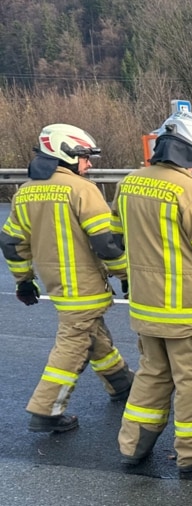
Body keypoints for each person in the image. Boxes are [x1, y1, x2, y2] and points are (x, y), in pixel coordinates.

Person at [112, 111, 192, 471]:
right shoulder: (189, 190)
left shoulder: (129, 183)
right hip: (186, 311)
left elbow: (116, 237)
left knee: (152, 376)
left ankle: (132, 446)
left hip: (145, 308)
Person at [0, 124, 133, 433]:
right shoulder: (82, 190)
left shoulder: (25, 192)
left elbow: (11, 242)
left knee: (91, 333)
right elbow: (106, 242)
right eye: (85, 157)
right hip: (83, 284)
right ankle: (45, 410)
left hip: (56, 284)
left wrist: (23, 280)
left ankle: (121, 383)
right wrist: (126, 274)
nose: (89, 165)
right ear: (67, 155)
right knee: (73, 344)